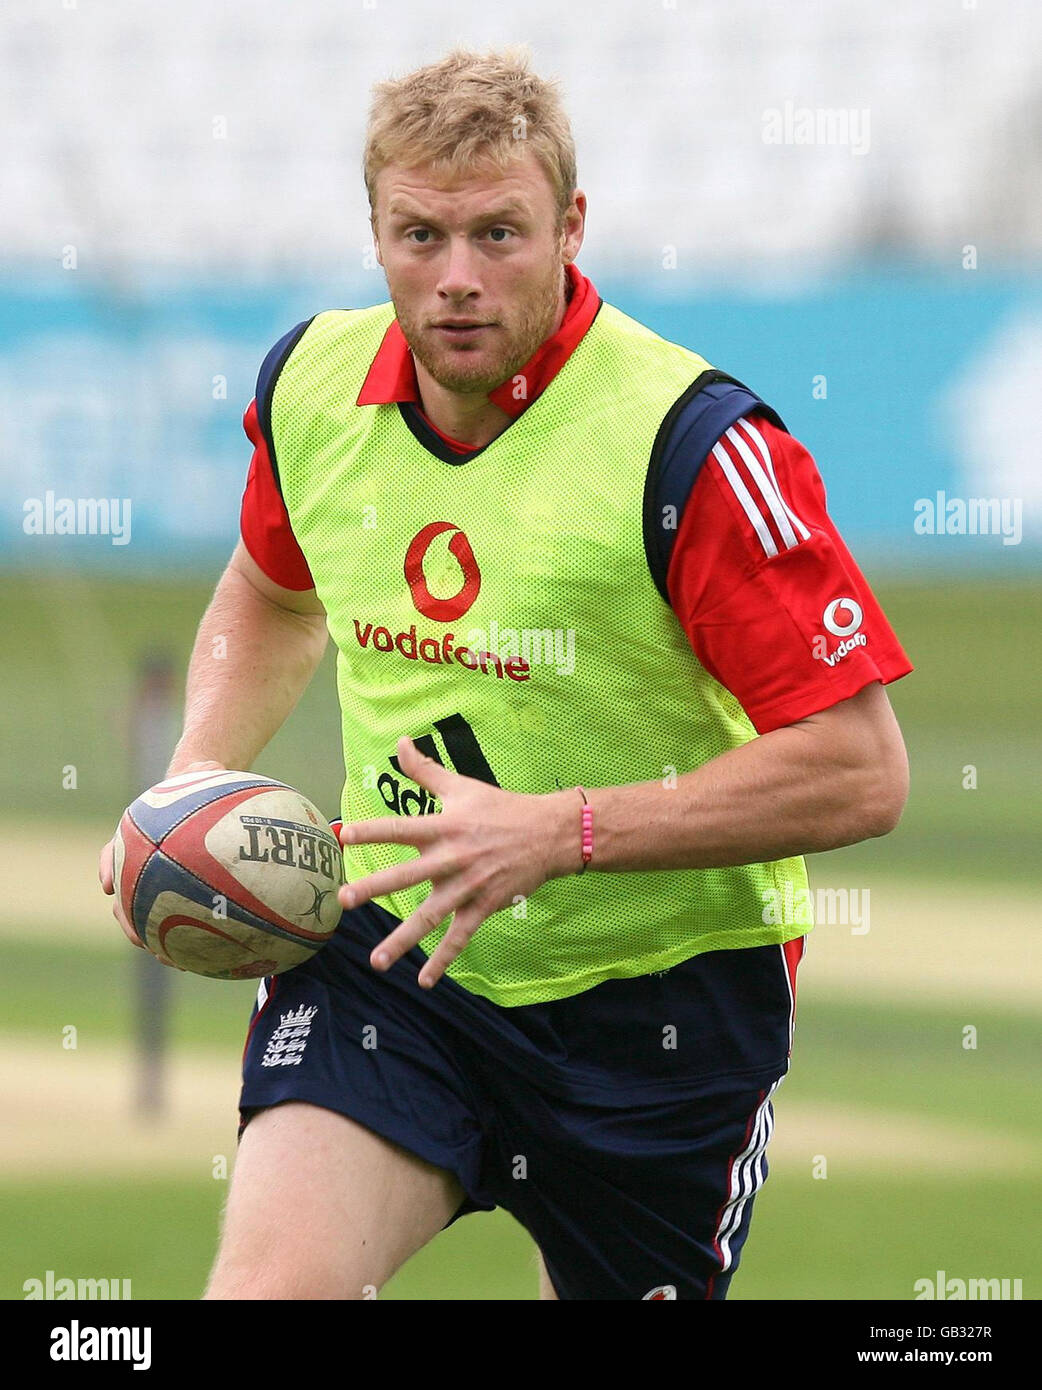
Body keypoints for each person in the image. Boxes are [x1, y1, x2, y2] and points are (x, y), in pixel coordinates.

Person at [100, 47, 912, 1301]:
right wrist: (193, 772)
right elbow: (271, 589)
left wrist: (564, 831)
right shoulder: (312, 383)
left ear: (571, 226)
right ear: (373, 230)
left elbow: (861, 768)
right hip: (395, 953)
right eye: (420, 235)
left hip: (666, 1015)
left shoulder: (693, 447)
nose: (459, 279)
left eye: (499, 233)